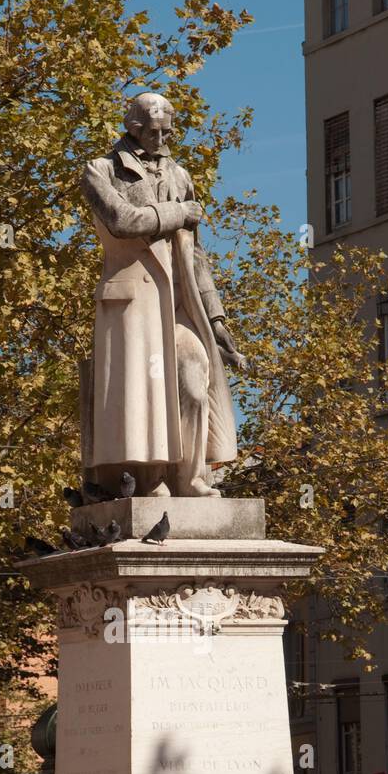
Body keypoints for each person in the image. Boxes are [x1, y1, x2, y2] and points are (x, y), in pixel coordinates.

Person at [81, 91, 246, 499]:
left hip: (178, 303)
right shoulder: (100, 170)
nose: (163, 140)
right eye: (155, 132)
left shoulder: (180, 175)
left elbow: (197, 256)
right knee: (144, 393)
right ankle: (149, 480)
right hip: (133, 302)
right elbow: (122, 221)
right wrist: (177, 214)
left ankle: (190, 477)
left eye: (169, 132)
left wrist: (217, 318)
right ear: (133, 128)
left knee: (193, 380)